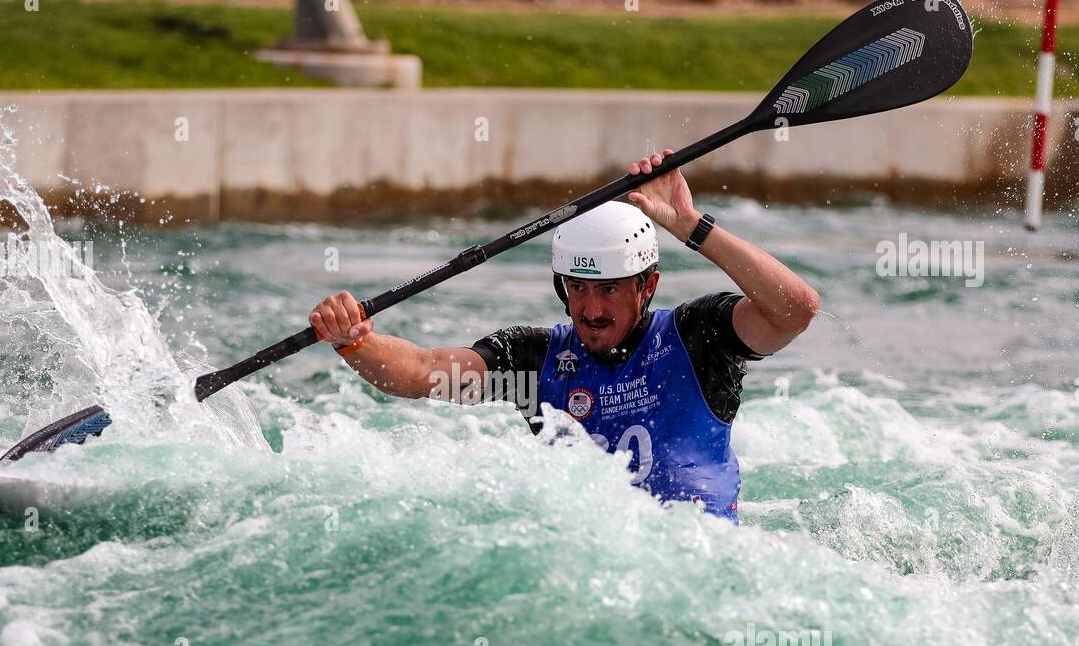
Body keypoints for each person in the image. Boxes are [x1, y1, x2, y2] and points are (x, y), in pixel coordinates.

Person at [308, 149, 819, 521]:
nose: (591, 309)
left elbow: (794, 310)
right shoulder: (533, 361)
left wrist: (690, 226)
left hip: (700, 563)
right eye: (577, 288)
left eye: (611, 291)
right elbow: (422, 374)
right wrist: (354, 340)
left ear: (648, 285)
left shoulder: (697, 338)